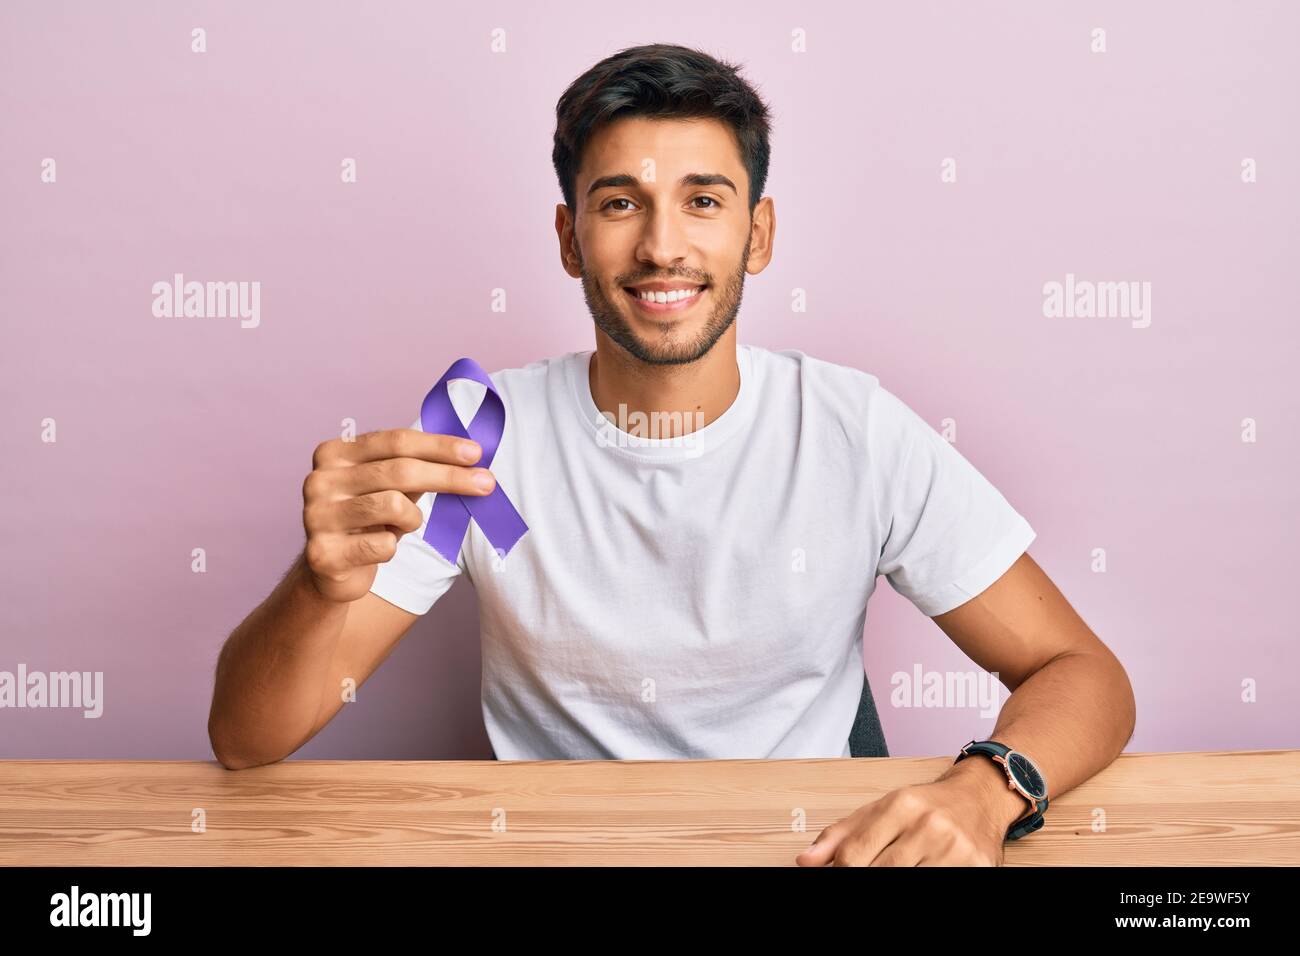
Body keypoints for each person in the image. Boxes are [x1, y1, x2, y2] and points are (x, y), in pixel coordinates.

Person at [209, 43, 1136, 866]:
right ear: (570, 240)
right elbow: (247, 741)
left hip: (811, 851)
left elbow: (1082, 673)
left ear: (757, 235)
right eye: (621, 203)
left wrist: (984, 791)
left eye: (702, 201)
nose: (662, 247)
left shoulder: (853, 429)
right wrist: (316, 585)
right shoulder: (480, 439)